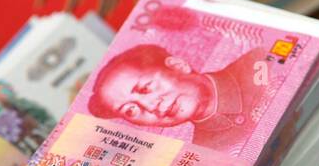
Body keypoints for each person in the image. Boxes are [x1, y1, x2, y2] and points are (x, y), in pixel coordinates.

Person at [87, 43, 270, 152]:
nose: (151, 107)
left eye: (145, 88)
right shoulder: (208, 154)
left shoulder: (262, 60)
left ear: (178, 65)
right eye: (131, 110)